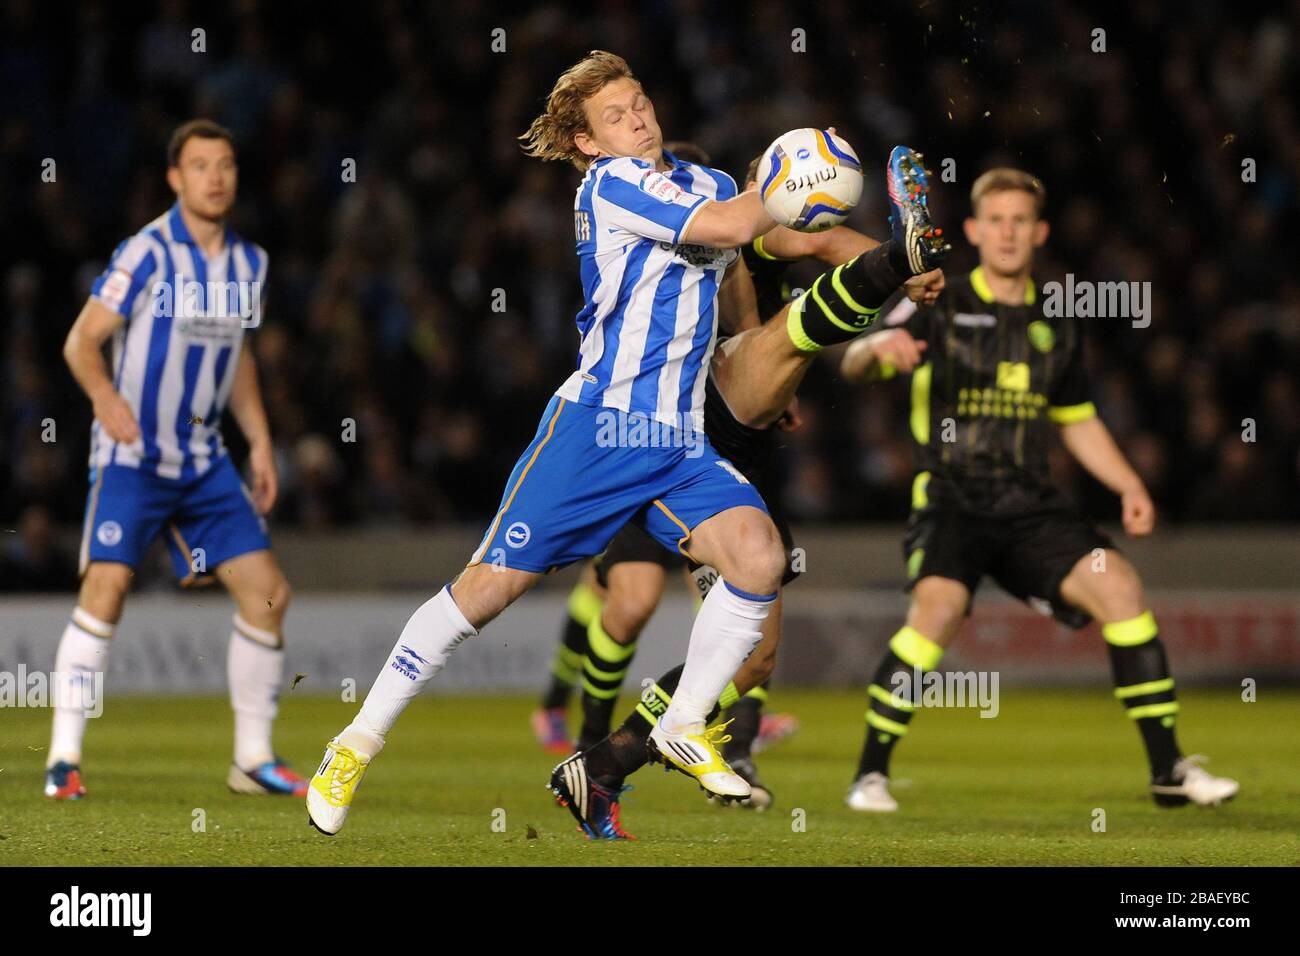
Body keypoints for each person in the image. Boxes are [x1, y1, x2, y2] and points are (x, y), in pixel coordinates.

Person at [306, 51, 946, 836]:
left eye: (640, 103)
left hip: (678, 441)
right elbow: (740, 222)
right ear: (588, 143)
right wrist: (797, 167)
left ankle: (680, 726)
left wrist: (894, 262)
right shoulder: (611, 187)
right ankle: (355, 742)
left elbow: (791, 239)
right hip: (599, 430)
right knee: (486, 593)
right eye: (617, 117)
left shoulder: (708, 183)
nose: (638, 119)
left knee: (759, 558)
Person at [838, 167, 1238, 812]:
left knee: (1121, 587)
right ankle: (869, 775)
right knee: (936, 613)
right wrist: (878, 354)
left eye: (1019, 220)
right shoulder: (938, 296)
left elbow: (1076, 420)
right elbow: (856, 357)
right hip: (951, 500)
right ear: (972, 229)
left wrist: (1129, 483)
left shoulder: (1059, 319)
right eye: (995, 219)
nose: (1007, 232)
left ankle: (1168, 772)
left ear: (1039, 231)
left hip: (1032, 507)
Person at [46, 119, 306, 800]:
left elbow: (238, 357)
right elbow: (81, 341)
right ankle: (63, 759)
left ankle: (252, 759)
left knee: (269, 594)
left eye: (224, 165)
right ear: (175, 178)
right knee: (105, 591)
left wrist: (257, 441)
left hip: (203, 461)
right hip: (134, 455)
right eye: (199, 166)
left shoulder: (250, 264)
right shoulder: (149, 252)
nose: (215, 177)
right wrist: (103, 396)